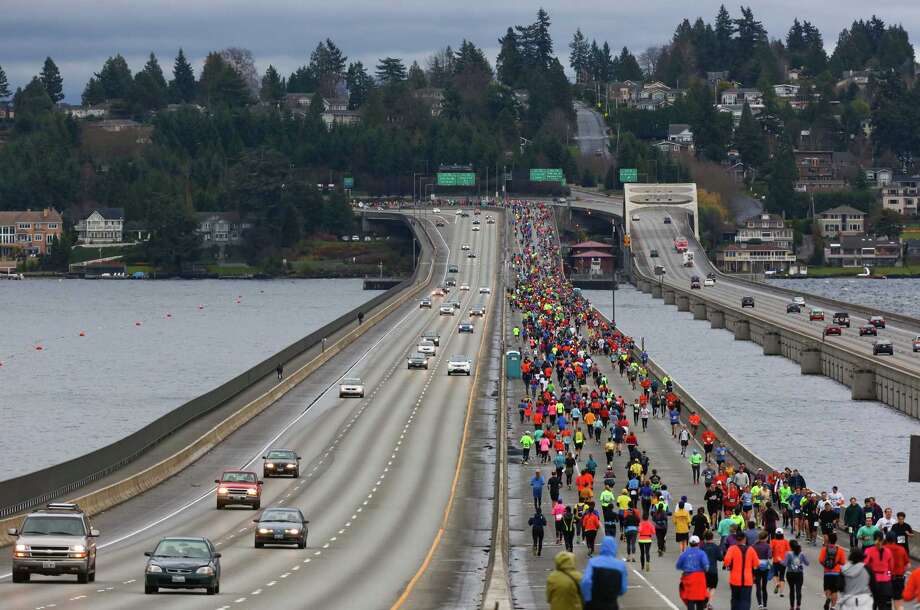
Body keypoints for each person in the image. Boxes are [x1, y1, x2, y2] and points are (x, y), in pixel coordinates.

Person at [581, 537, 628, 610]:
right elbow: (623, 589)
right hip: (611, 603)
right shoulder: (620, 565)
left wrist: (587, 599)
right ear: (614, 547)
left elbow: (586, 582)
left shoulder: (593, 562)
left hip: (594, 601)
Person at [676, 535, 710, 610]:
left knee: (690, 597)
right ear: (698, 544)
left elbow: (678, 565)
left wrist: (685, 568)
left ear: (689, 544)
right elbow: (706, 566)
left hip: (688, 577)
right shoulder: (702, 553)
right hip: (700, 577)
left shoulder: (684, 553)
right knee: (700, 597)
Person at [724, 536, 759, 610]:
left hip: (735, 579)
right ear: (745, 539)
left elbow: (726, 561)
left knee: (735, 599)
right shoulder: (751, 549)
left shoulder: (732, 549)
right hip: (747, 579)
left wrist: (730, 565)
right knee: (745, 600)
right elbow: (756, 563)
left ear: (736, 540)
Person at [863, 531, 894, 610]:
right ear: (883, 539)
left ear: (874, 539)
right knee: (883, 605)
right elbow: (891, 568)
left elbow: (865, 565)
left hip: (873, 581)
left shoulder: (869, 550)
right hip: (885, 581)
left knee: (872, 603)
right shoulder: (888, 551)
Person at [818, 532, 846, 610]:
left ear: (829, 540)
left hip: (827, 573)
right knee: (834, 590)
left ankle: (828, 598)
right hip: (836, 573)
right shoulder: (840, 550)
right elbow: (843, 562)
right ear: (836, 540)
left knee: (827, 588)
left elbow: (820, 560)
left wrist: (825, 566)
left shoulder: (825, 549)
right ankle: (833, 607)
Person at [883, 532, 909, 610]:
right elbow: (907, 565)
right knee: (898, 604)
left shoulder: (883, 549)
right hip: (899, 579)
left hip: (886, 579)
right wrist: (902, 572)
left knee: (886, 603)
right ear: (895, 539)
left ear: (886, 539)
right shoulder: (901, 549)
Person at [783, 539, 809, 610]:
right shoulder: (801, 554)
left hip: (790, 574)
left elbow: (784, 564)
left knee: (791, 590)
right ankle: (798, 606)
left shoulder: (788, 554)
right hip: (799, 574)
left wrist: (780, 561)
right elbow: (807, 563)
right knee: (798, 590)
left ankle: (791, 607)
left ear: (790, 546)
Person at [752, 530, 772, 610]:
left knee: (758, 586)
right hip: (765, 568)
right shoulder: (767, 546)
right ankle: (765, 605)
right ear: (766, 538)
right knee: (764, 587)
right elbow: (770, 556)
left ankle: (759, 604)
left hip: (756, 567)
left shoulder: (754, 546)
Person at [701, 531, 723, 602]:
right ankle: (709, 602)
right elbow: (720, 558)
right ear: (712, 537)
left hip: (704, 570)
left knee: (706, 586)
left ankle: (705, 599)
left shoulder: (702, 547)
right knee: (713, 587)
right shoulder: (715, 547)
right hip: (713, 570)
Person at [770, 529, 790, 599]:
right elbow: (788, 551)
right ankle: (781, 592)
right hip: (783, 561)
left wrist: (772, 555)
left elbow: (771, 550)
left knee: (775, 574)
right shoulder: (786, 542)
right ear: (782, 534)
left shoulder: (773, 541)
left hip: (775, 560)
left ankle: (776, 583)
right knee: (782, 575)